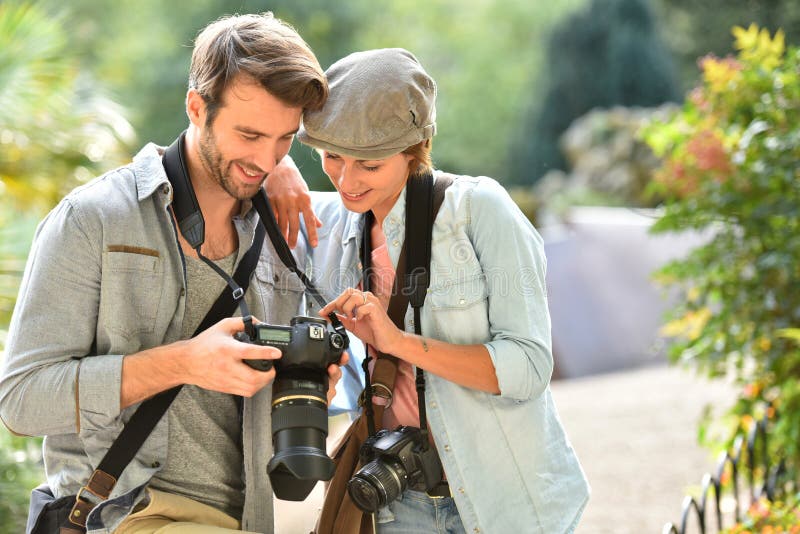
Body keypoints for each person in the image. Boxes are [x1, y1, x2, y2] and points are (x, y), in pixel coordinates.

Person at [0, 13, 344, 534]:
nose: (266, 159)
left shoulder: (283, 233)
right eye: (249, 134)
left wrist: (303, 376)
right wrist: (182, 362)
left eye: (284, 140)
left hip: (248, 519)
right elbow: (21, 400)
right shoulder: (93, 218)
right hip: (124, 512)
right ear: (196, 107)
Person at [295, 48, 591, 533]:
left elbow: (530, 367)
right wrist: (285, 174)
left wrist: (397, 343)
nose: (346, 181)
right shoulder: (333, 225)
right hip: (398, 502)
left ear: (415, 148)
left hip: (505, 500)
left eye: (368, 164)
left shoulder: (480, 211)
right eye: (331, 157)